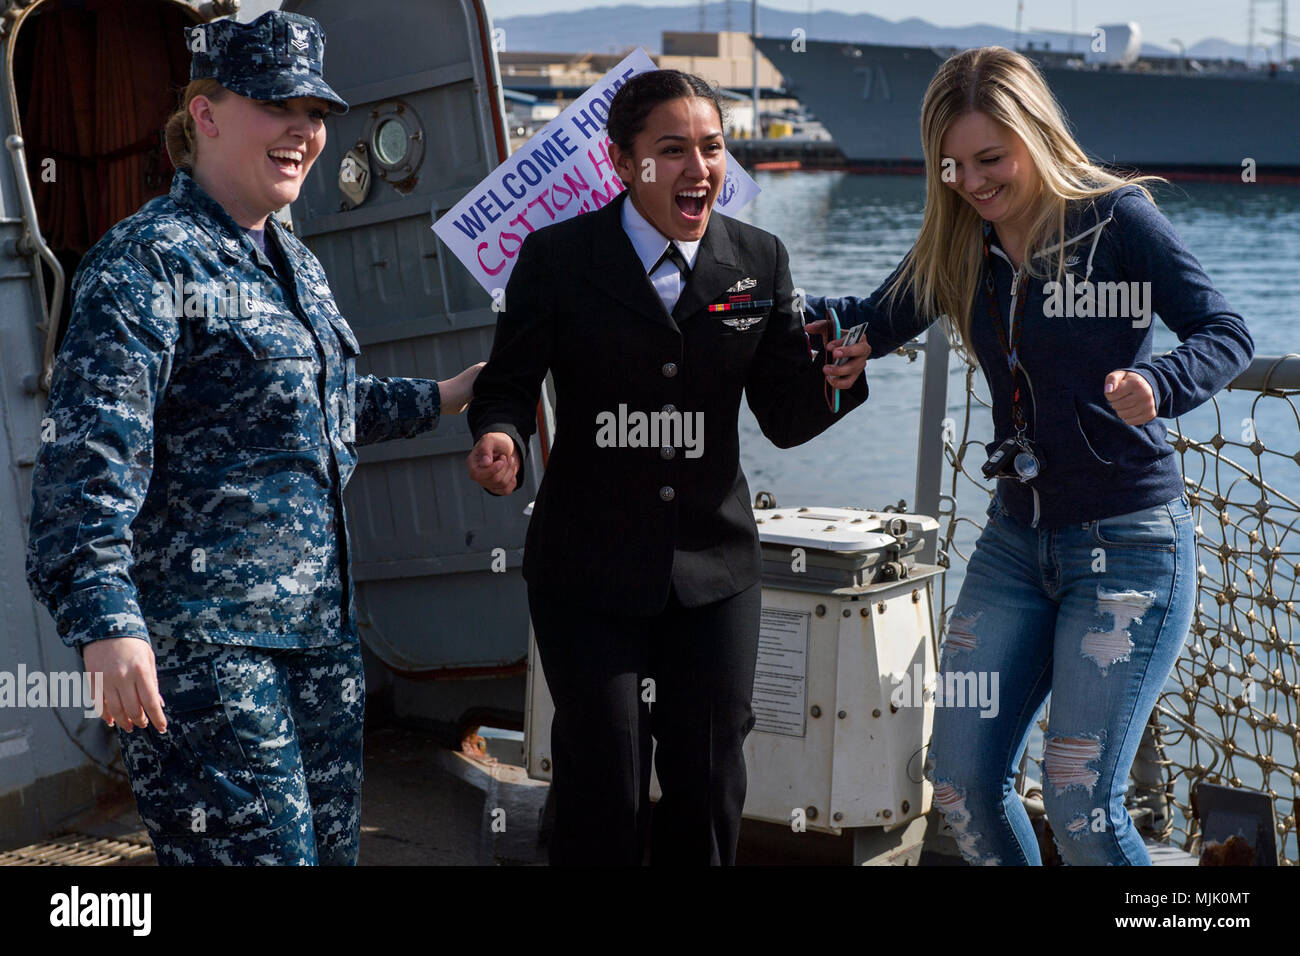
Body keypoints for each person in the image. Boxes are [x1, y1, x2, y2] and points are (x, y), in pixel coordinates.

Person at [26, 10, 481, 866]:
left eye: (315, 113)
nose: (304, 132)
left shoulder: (290, 257)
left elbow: (321, 404)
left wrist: (450, 396)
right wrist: (107, 624)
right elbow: (84, 469)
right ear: (204, 115)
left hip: (318, 640)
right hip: (206, 652)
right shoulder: (147, 264)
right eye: (279, 107)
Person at [805, 47, 1254, 865]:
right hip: (1014, 548)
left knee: (1082, 800)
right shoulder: (960, 238)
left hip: (1129, 549)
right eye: (954, 165)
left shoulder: (1117, 220)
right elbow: (884, 311)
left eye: (991, 159)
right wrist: (843, 339)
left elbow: (1226, 332)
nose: (974, 182)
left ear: (1036, 136)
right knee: (962, 786)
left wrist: (1159, 381)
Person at [465, 69, 869, 865]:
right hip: (586, 568)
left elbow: (784, 420)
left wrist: (838, 382)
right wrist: (502, 439)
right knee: (604, 782)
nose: (699, 168)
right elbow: (505, 389)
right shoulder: (554, 259)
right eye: (673, 149)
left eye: (713, 148)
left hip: (713, 570)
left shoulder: (759, 261)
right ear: (623, 162)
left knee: (710, 779)